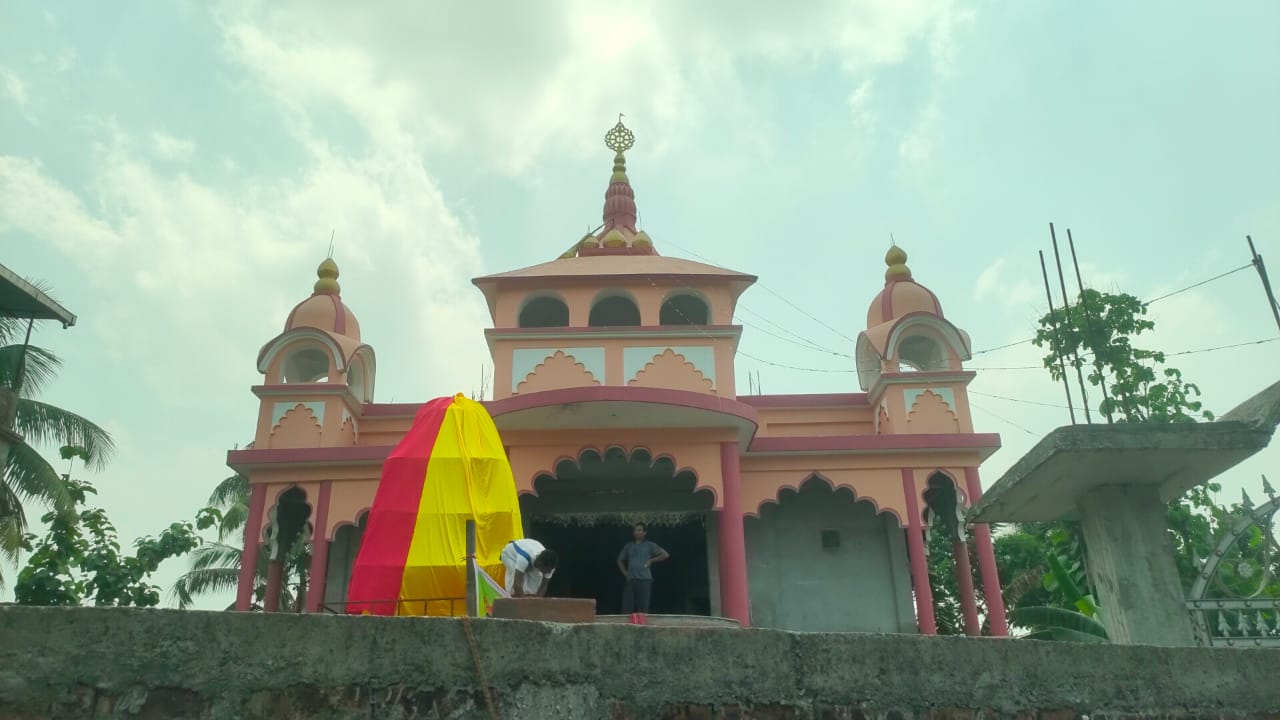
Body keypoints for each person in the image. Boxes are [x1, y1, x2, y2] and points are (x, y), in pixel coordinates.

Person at [616, 522, 669, 615]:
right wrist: (625, 572)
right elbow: (619, 560)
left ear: (645, 532)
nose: (637, 532)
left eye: (640, 530)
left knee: (643, 608)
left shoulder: (650, 545)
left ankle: (642, 627)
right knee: (626, 608)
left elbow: (665, 555)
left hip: (645, 580)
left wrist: (651, 560)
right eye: (635, 530)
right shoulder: (629, 545)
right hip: (631, 580)